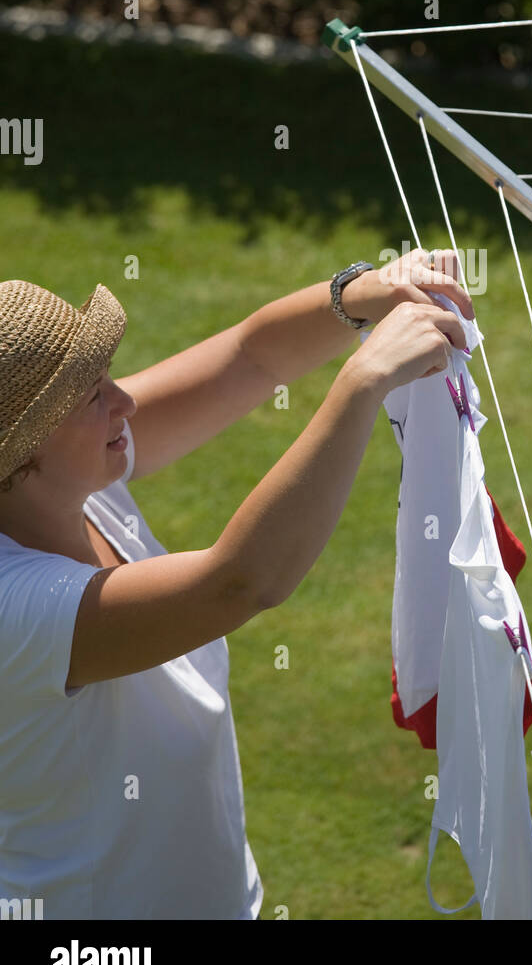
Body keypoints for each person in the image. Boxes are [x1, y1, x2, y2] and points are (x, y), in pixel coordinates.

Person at [0, 250, 474, 920]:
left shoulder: (70, 485)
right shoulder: (16, 609)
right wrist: (364, 379)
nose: (125, 400)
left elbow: (250, 359)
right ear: (25, 451)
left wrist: (360, 294)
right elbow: (239, 582)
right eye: (92, 394)